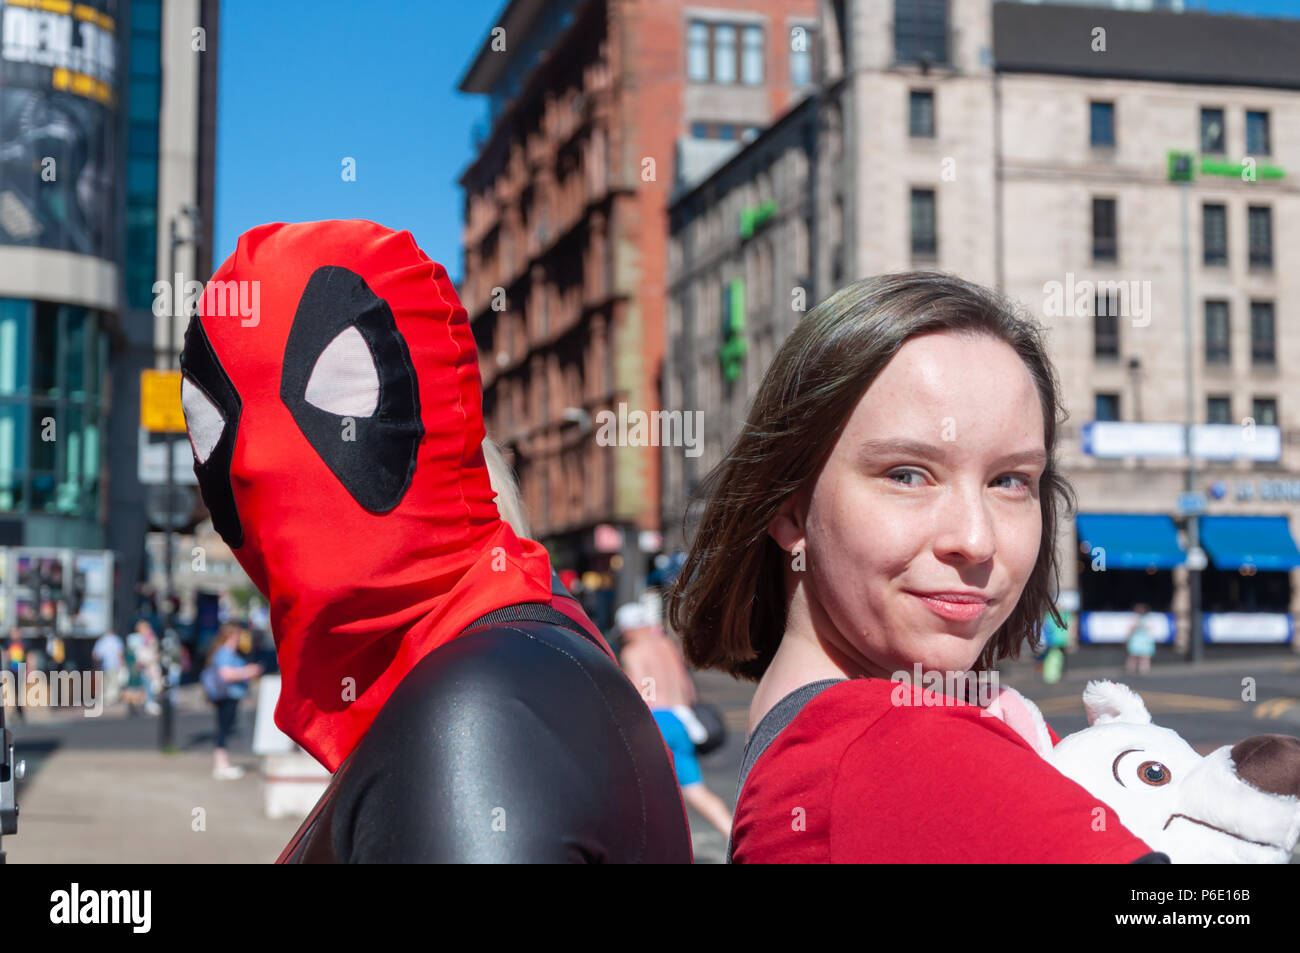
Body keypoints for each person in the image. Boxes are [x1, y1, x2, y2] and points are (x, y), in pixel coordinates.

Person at [177, 219, 691, 862]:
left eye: (337, 387)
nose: (250, 462)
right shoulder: (510, 662)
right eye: (211, 420)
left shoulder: (479, 712)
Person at [666, 272, 1169, 864]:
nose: (976, 541)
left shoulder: (812, 738)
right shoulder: (898, 746)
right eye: (907, 475)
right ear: (789, 509)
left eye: (1010, 481)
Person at [616, 600, 734, 838]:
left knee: (639, 793)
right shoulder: (666, 646)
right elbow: (687, 688)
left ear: (628, 629)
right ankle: (734, 836)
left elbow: (639, 692)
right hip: (681, 719)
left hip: (657, 722)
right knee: (694, 789)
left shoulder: (633, 651)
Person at [205, 622, 264, 780]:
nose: (240, 639)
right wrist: (248, 671)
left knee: (224, 728)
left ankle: (222, 763)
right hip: (226, 695)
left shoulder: (229, 652)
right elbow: (226, 674)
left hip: (229, 695)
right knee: (223, 729)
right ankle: (221, 765)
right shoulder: (225, 653)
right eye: (237, 635)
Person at [92, 630, 127, 706]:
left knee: (105, 682)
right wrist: (122, 664)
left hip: (104, 665)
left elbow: (96, 655)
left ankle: (104, 698)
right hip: (114, 664)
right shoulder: (116, 639)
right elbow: (120, 653)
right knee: (113, 683)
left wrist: (96, 666)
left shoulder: (101, 641)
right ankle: (111, 699)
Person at [1125, 603, 1156, 677]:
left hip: (1144, 639)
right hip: (1136, 639)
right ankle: (1130, 670)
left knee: (1145, 657)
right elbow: (1130, 629)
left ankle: (1144, 671)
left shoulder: (1148, 618)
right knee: (1133, 656)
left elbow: (1150, 629)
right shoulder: (1133, 618)